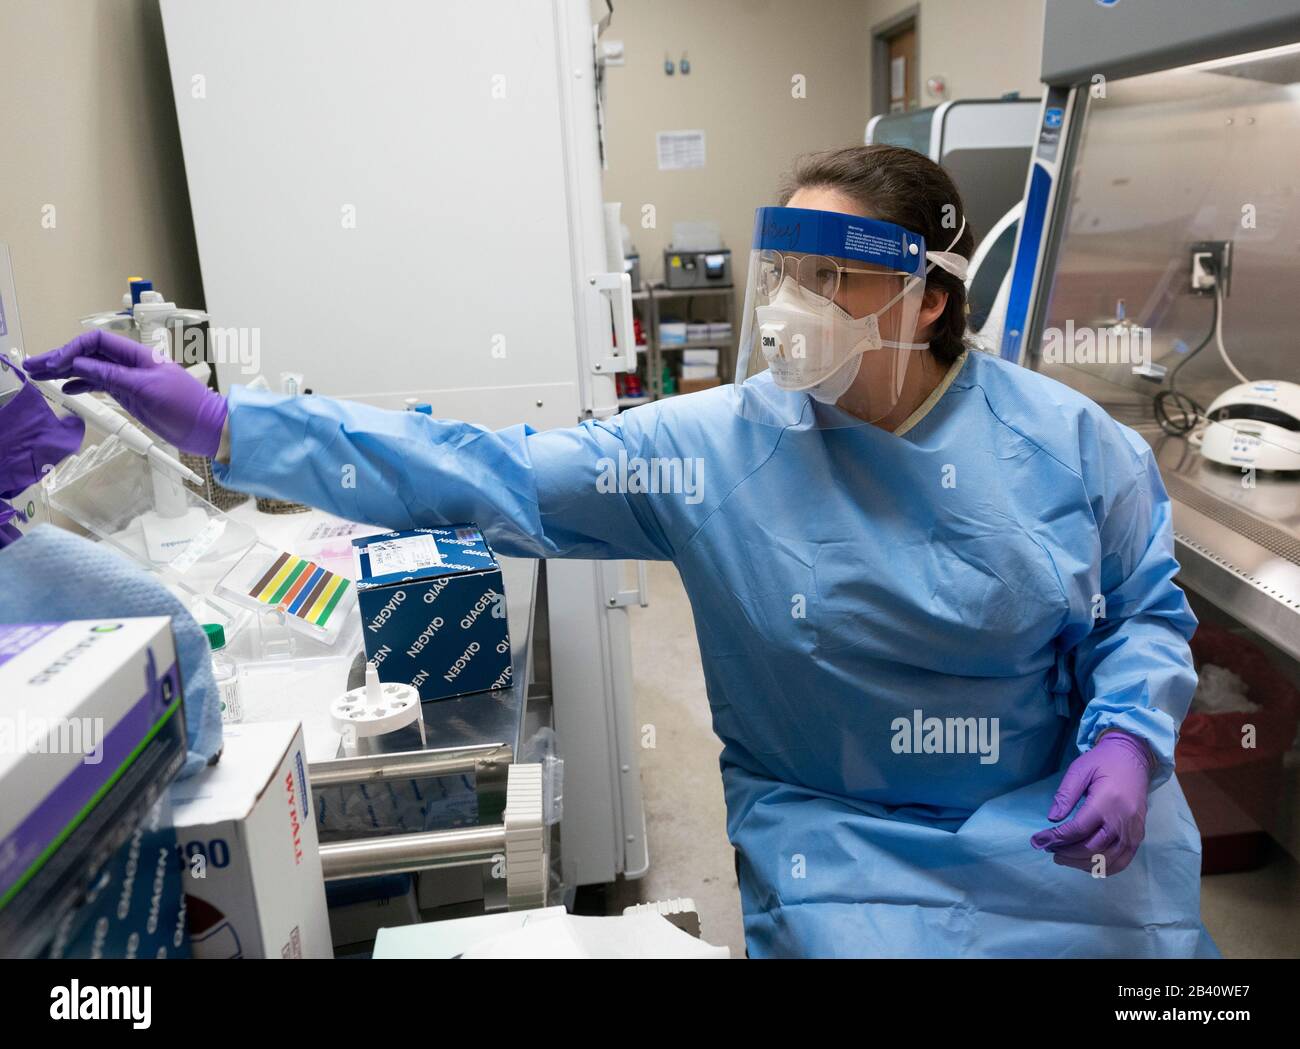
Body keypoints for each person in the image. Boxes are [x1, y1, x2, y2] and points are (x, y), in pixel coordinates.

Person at [27, 144, 1214, 958]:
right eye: (784, 276)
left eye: (834, 279)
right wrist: (234, 427)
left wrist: (1126, 734)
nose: (793, 309)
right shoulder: (712, 447)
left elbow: (1142, 613)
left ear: (928, 302)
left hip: (1046, 815)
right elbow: (483, 470)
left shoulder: (1069, 444)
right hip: (838, 832)